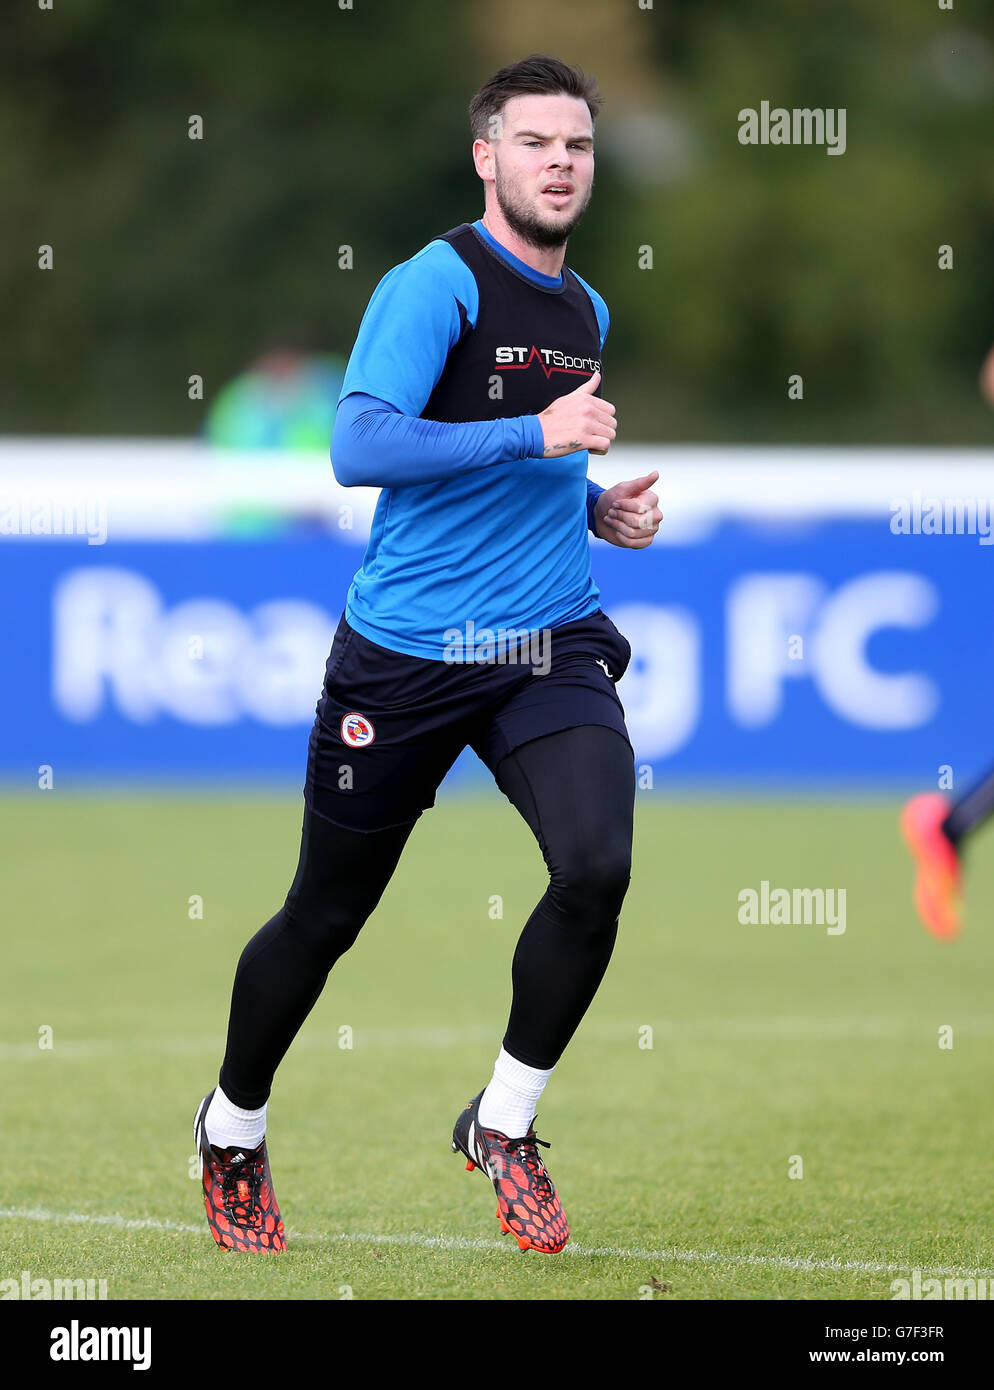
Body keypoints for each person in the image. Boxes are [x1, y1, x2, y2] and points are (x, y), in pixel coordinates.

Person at [194, 53, 663, 1255]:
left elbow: (533, 462)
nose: (560, 162)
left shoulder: (588, 308)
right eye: (536, 142)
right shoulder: (433, 283)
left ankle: (502, 1124)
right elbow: (360, 445)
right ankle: (232, 1125)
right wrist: (537, 435)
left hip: (541, 640)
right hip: (406, 652)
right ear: (486, 157)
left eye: (578, 145)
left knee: (596, 865)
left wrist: (591, 501)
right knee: (324, 916)